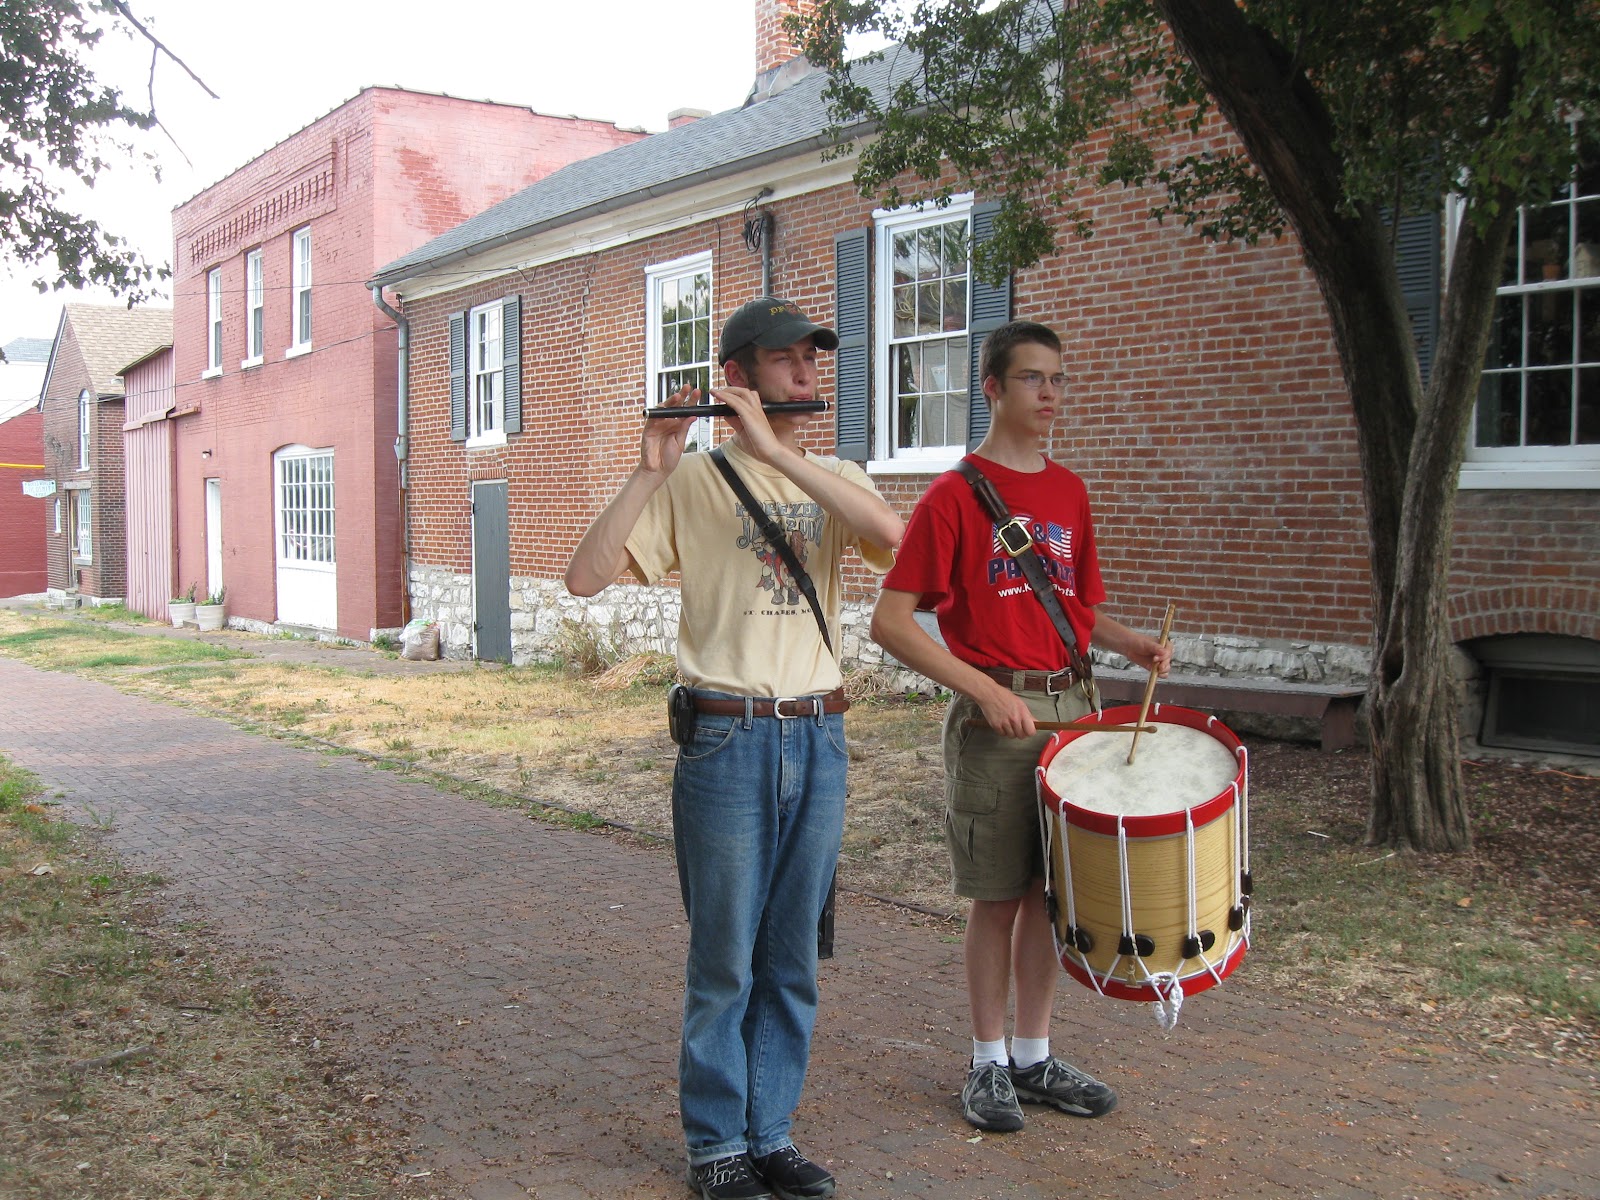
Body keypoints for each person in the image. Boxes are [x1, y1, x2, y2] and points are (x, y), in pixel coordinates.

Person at [565, 297, 903, 1200]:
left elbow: (896, 542)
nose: (807, 373)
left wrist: (781, 456)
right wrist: (647, 470)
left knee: (791, 955)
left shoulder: (836, 471)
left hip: (819, 736)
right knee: (725, 957)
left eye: (812, 359)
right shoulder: (692, 481)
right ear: (738, 378)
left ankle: (771, 1131)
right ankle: (717, 1143)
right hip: (725, 737)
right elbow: (584, 576)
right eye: (787, 359)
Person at [868, 319, 1171, 1134]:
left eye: (1059, 380)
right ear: (993, 387)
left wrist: (1130, 642)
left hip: (1075, 709)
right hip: (997, 714)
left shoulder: (1068, 491)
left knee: (1050, 897)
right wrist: (980, 689)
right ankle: (987, 1062)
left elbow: (1076, 602)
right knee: (998, 897)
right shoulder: (952, 495)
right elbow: (891, 622)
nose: (1050, 395)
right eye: (1033, 379)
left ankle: (1034, 1058)